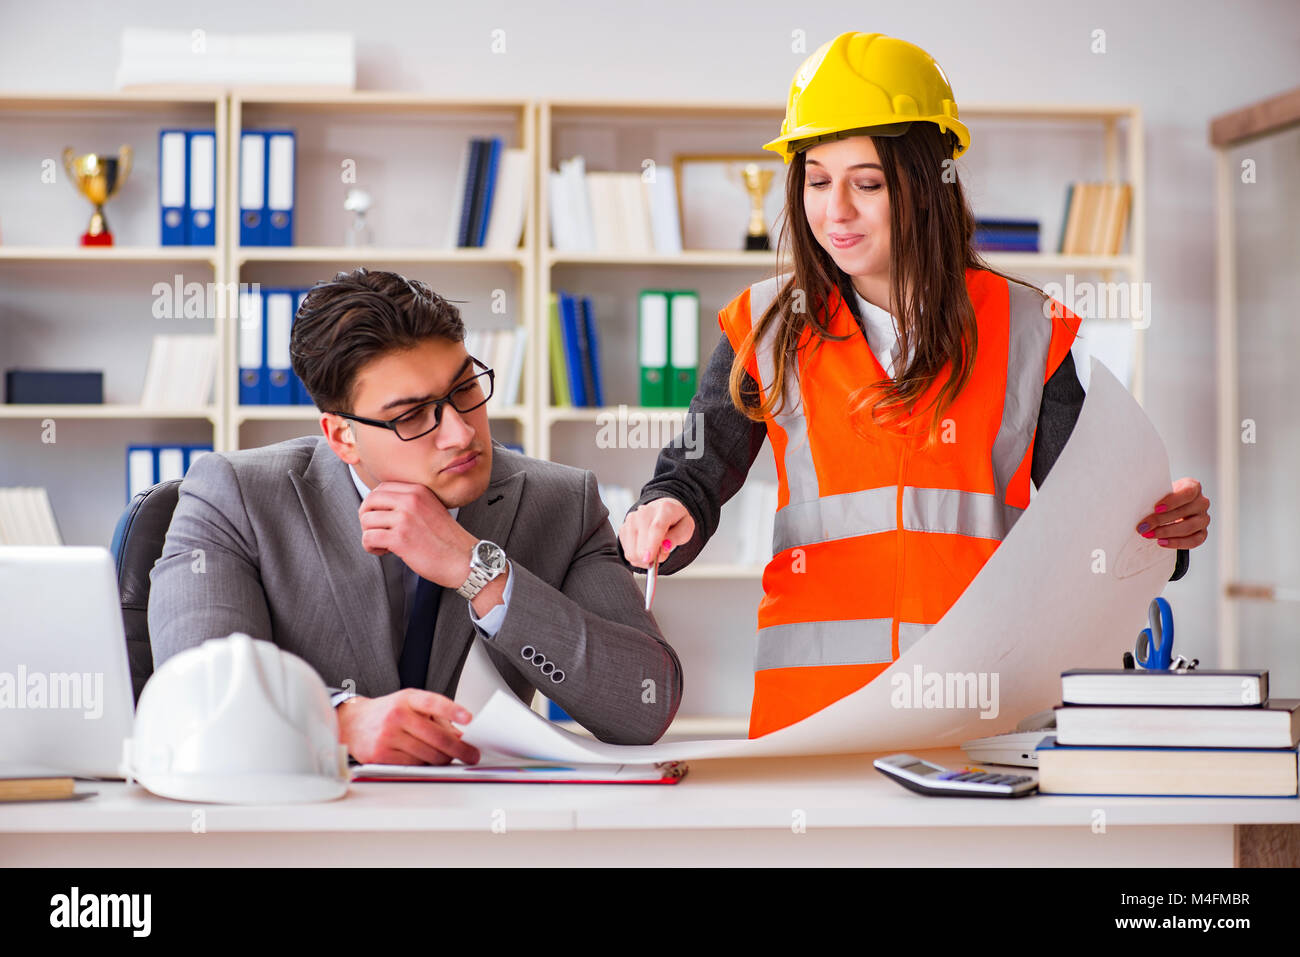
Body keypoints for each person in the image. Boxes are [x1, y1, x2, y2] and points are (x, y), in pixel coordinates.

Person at [617, 31, 1210, 738]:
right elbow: (689, 477)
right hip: (812, 724)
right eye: (816, 180)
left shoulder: (1025, 328)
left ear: (928, 188)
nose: (836, 209)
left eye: (867, 183)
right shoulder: (769, 327)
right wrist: (659, 519)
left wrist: (1164, 536)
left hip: (978, 720)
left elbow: (1097, 523)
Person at [150, 268, 681, 763]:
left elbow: (643, 707)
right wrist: (338, 723)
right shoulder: (235, 496)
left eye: (465, 389)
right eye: (411, 416)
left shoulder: (562, 502)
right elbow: (199, 693)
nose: (461, 433)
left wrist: (482, 573)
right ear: (343, 437)